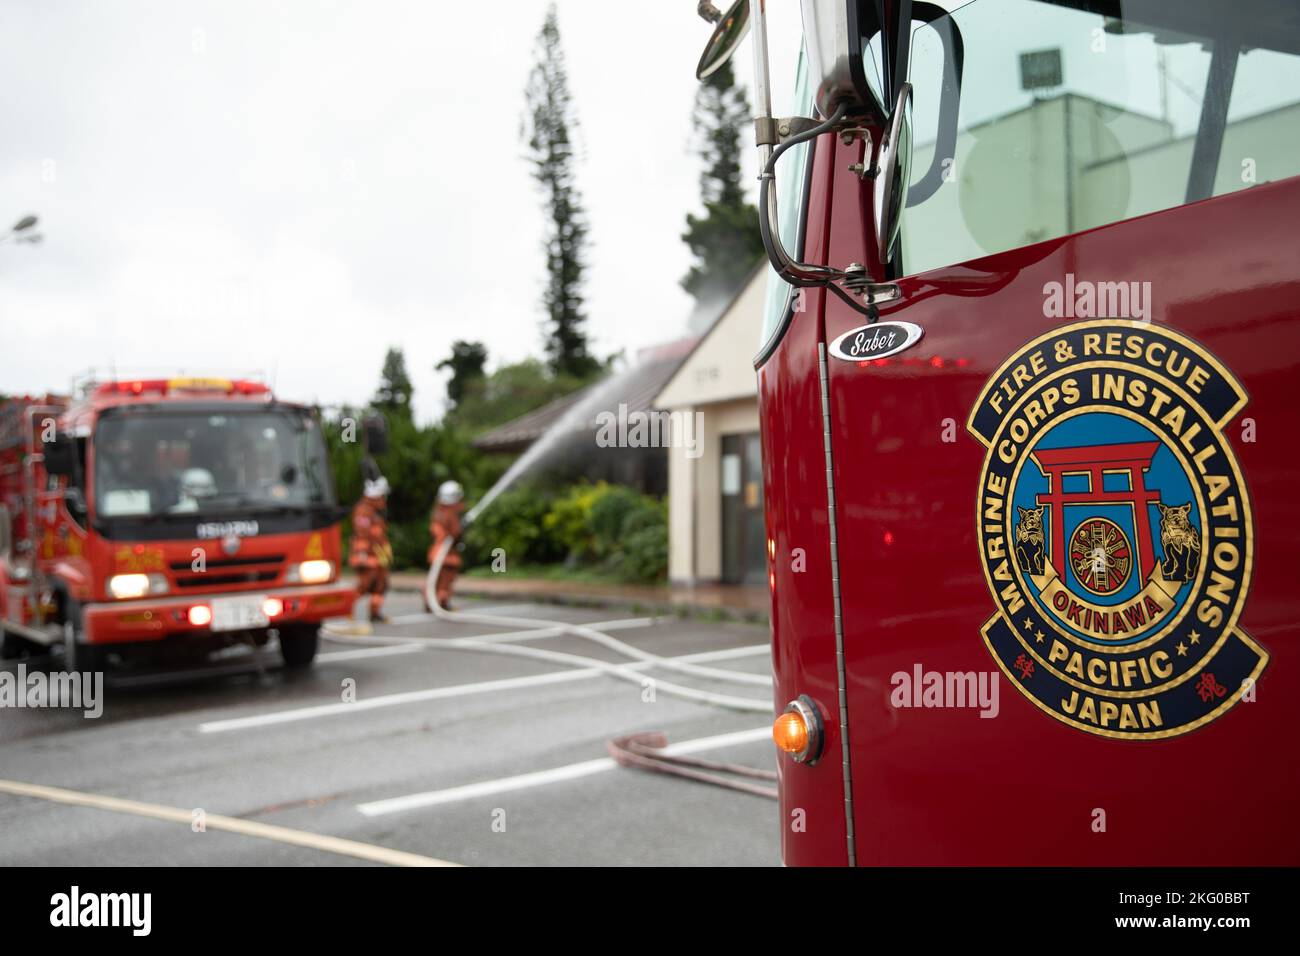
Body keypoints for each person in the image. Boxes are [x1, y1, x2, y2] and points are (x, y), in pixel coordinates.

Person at [350, 476, 393, 623]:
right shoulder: (363, 510)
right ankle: (348, 610)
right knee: (364, 585)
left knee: (381, 585)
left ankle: (375, 613)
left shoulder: (376, 511)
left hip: (379, 555)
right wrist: (362, 556)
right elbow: (362, 533)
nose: (384, 499)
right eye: (382, 496)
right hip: (367, 556)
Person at [427, 480, 465, 611]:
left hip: (444, 552)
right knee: (443, 582)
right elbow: (452, 532)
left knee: (441, 581)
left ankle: (437, 603)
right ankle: (438, 603)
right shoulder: (448, 513)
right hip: (444, 553)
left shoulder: (440, 511)